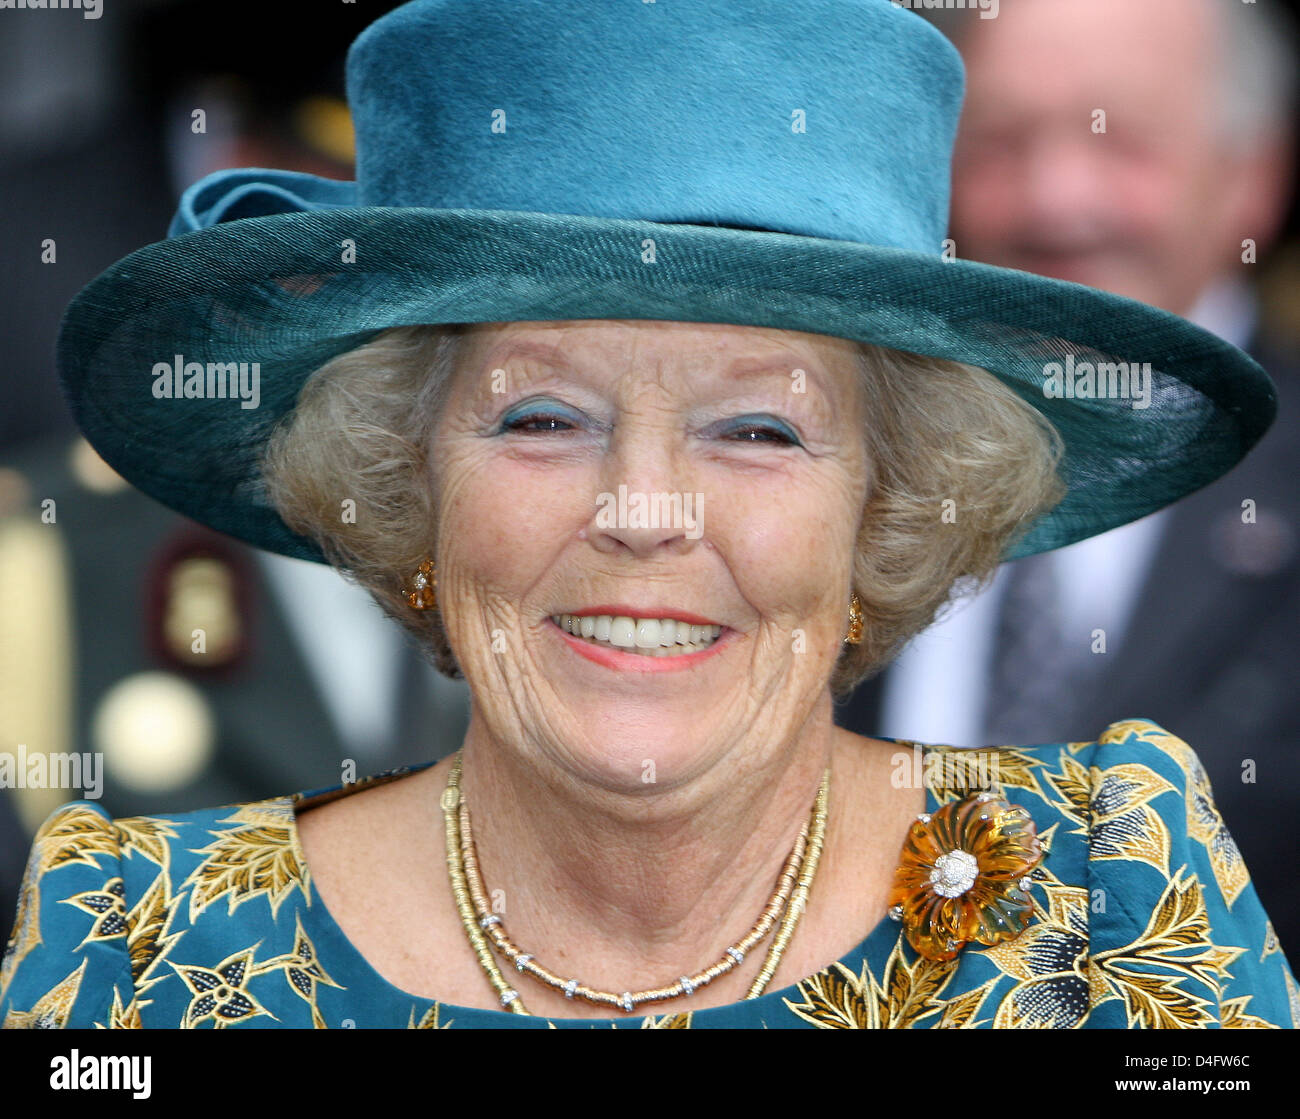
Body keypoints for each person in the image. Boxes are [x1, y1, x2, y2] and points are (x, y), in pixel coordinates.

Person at [1, 0, 1294, 1029]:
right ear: (408, 481)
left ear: (888, 503)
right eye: (542, 415)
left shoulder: (1111, 899)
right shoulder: (138, 944)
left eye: (759, 427)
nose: (643, 510)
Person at [837, 0, 1300, 959]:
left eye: (1121, 140)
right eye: (1002, 142)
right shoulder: (831, 468)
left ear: (1253, 172)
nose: (1055, 200)